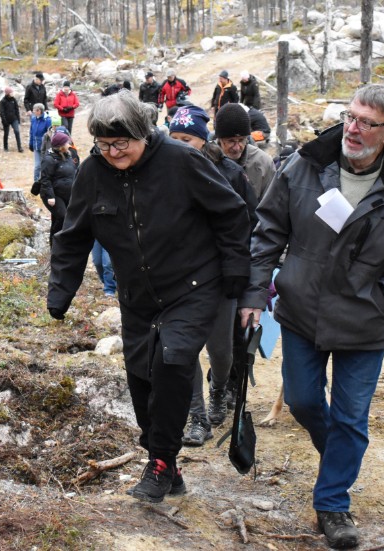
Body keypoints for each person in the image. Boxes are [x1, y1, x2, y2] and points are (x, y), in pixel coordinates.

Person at [238, 84, 384, 549]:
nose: (352, 128)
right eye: (350, 116)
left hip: (365, 320)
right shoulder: (306, 165)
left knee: (351, 417)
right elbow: (268, 229)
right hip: (301, 310)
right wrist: (254, 295)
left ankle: (332, 502)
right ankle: (340, 461)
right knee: (305, 402)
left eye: (366, 123)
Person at [47, 90, 251, 503]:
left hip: (192, 285)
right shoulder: (92, 172)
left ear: (143, 133)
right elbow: (73, 237)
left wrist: (236, 272)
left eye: (121, 143)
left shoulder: (183, 161)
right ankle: (169, 466)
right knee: (142, 377)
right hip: (138, 294)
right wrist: (60, 292)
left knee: (173, 361)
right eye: (103, 145)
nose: (112, 152)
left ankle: (158, 461)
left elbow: (232, 212)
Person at [167, 104, 257, 445]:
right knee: (183, 349)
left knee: (220, 351)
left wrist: (241, 271)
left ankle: (219, 386)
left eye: (187, 139)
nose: (180, 145)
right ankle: (197, 418)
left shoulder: (232, 174)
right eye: (174, 138)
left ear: (203, 141)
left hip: (219, 278)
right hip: (177, 278)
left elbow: (248, 225)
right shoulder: (161, 172)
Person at [215, 103, 276, 199]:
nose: (237, 147)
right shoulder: (206, 160)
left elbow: (270, 205)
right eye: (231, 141)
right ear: (220, 139)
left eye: (241, 140)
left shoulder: (264, 163)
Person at [39, 132, 80, 246]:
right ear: (61, 145)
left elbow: (75, 172)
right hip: (54, 195)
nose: (69, 144)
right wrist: (50, 196)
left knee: (64, 219)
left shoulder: (69, 155)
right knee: (62, 217)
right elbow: (45, 179)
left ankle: (64, 243)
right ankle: (56, 243)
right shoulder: (49, 159)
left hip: (67, 193)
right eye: (67, 142)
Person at [28, 103, 52, 182]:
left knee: (44, 165)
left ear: (40, 111)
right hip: (36, 146)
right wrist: (31, 143)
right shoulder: (33, 119)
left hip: (44, 147)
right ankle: (36, 183)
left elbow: (50, 134)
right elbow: (31, 132)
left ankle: (45, 181)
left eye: (35, 110)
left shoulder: (47, 120)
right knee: (37, 166)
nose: (33, 111)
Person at [0, 87, 23, 153]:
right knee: (6, 133)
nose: (12, 93)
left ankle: (19, 147)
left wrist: (18, 119)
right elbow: (2, 112)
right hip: (6, 120)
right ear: (8, 93)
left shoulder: (14, 100)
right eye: (11, 92)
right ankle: (5, 147)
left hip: (14, 119)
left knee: (17, 131)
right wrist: (4, 121)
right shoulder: (2, 101)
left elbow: (17, 110)